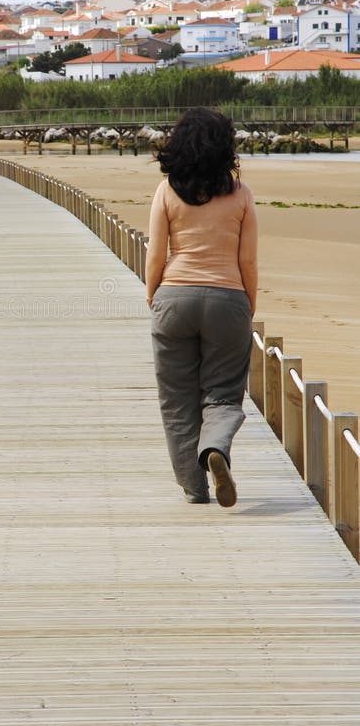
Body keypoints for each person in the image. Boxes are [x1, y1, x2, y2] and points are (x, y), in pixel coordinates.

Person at [145, 107, 258, 507]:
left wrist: (153, 295)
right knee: (224, 394)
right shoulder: (241, 196)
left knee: (176, 399)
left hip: (174, 297)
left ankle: (195, 489)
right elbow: (247, 262)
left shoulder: (166, 191)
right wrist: (248, 305)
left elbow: (156, 254)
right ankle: (215, 449)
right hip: (228, 299)